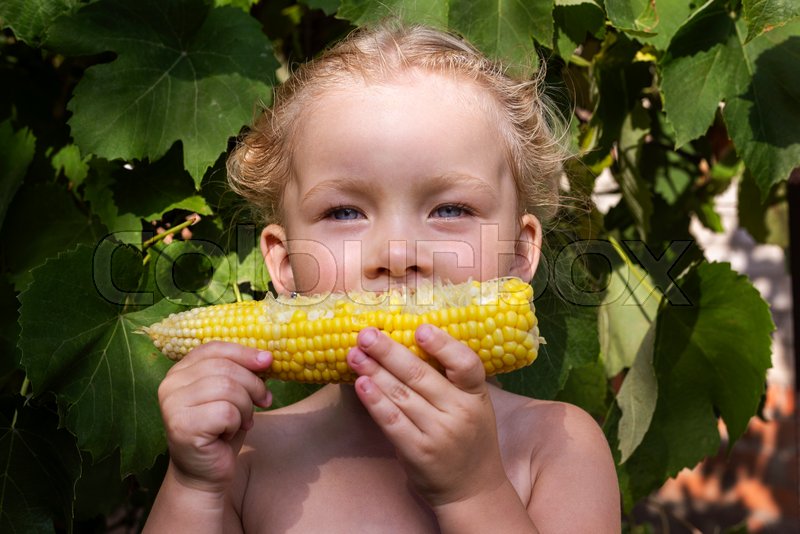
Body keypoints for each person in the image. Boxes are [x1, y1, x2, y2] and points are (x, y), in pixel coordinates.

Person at [144, 23, 620, 533]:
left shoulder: (554, 446)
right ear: (283, 264)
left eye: (451, 208)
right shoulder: (248, 460)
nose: (397, 254)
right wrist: (193, 487)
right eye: (345, 213)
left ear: (520, 253)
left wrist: (474, 490)